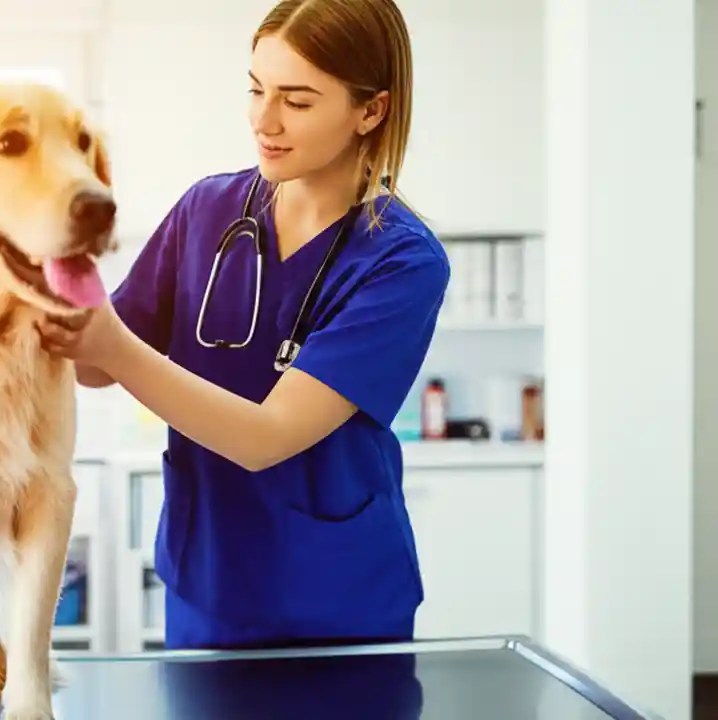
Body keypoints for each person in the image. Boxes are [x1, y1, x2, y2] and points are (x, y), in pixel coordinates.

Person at [37, 0, 451, 650]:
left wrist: (110, 346)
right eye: (256, 89)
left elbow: (267, 438)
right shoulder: (207, 210)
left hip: (337, 600)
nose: (264, 120)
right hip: (209, 582)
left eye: (298, 100)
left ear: (371, 110)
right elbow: (93, 366)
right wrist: (51, 276)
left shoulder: (401, 261)